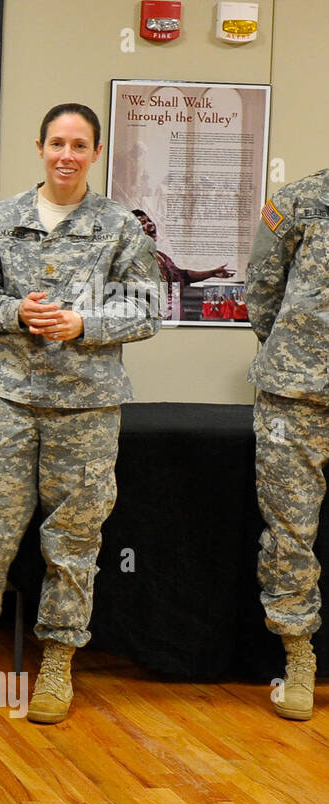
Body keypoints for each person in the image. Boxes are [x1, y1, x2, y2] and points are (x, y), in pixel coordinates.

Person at [0, 103, 160, 724]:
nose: (67, 155)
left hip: (86, 409)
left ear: (95, 152)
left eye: (79, 145)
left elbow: (147, 312)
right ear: (40, 147)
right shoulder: (2, 220)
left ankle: (56, 663)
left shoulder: (120, 227)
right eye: (57, 142)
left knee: (75, 543)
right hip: (6, 402)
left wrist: (85, 324)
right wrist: (16, 314)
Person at [246, 168, 329, 720]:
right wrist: (300, 355)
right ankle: (298, 655)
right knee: (290, 530)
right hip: (296, 394)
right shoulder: (298, 200)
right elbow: (262, 291)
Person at [131, 209, 234, 323]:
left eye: (149, 220)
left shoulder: (161, 256)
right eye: (143, 223)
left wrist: (212, 273)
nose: (150, 225)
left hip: (176, 320)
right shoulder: (132, 259)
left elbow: (182, 276)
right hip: (157, 323)